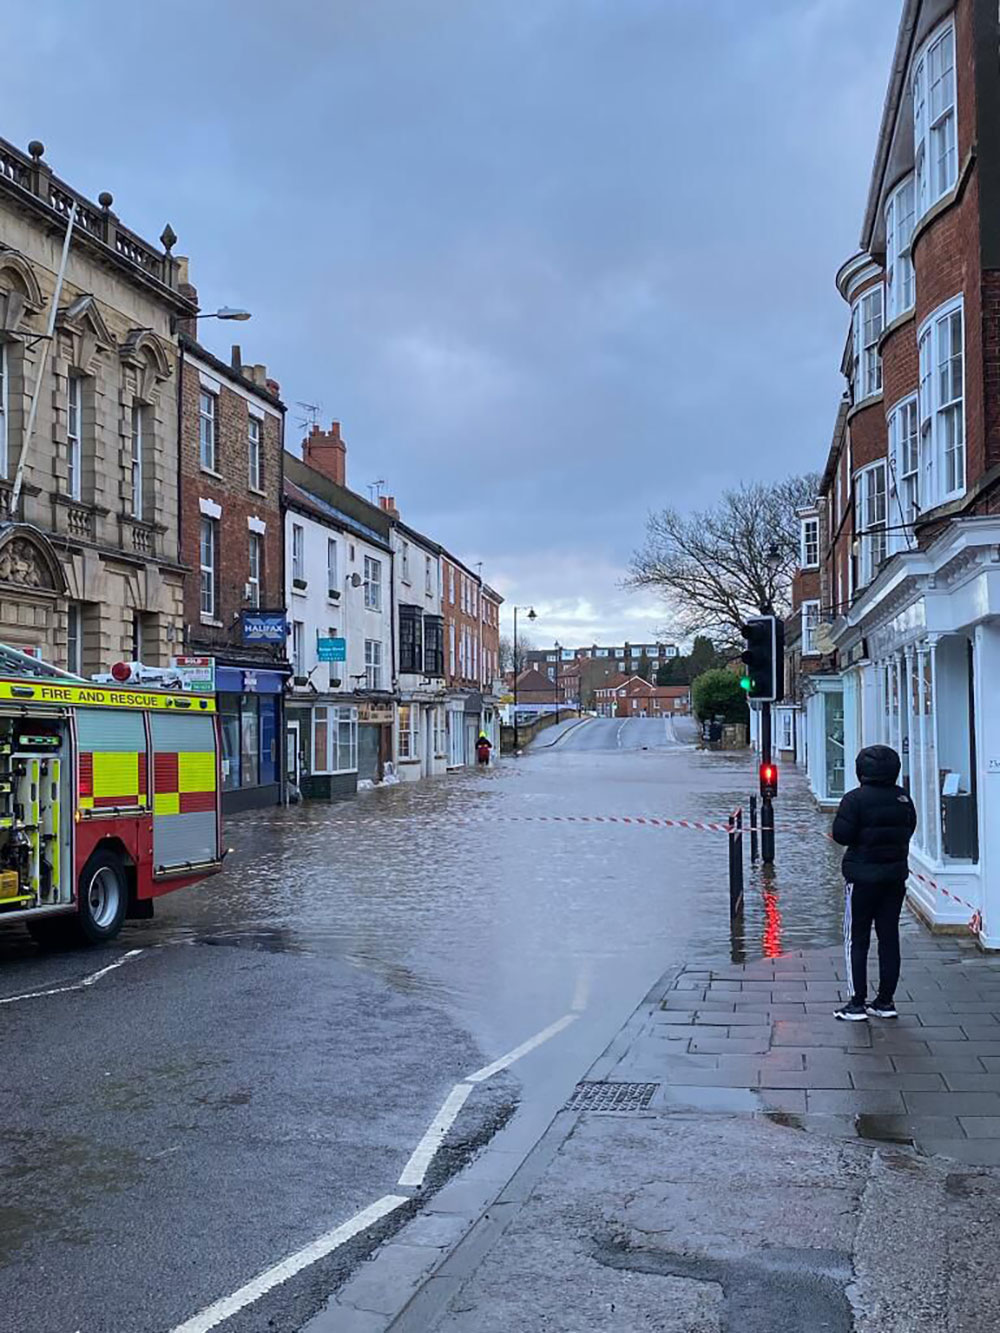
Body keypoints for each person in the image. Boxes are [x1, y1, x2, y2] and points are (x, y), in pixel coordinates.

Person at [831, 745, 917, 1022]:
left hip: (861, 879)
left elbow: (842, 835)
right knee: (889, 937)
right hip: (894, 878)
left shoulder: (854, 799)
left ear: (861, 770)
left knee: (856, 939)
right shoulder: (903, 798)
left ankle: (856, 1003)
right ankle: (885, 1001)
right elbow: (909, 829)